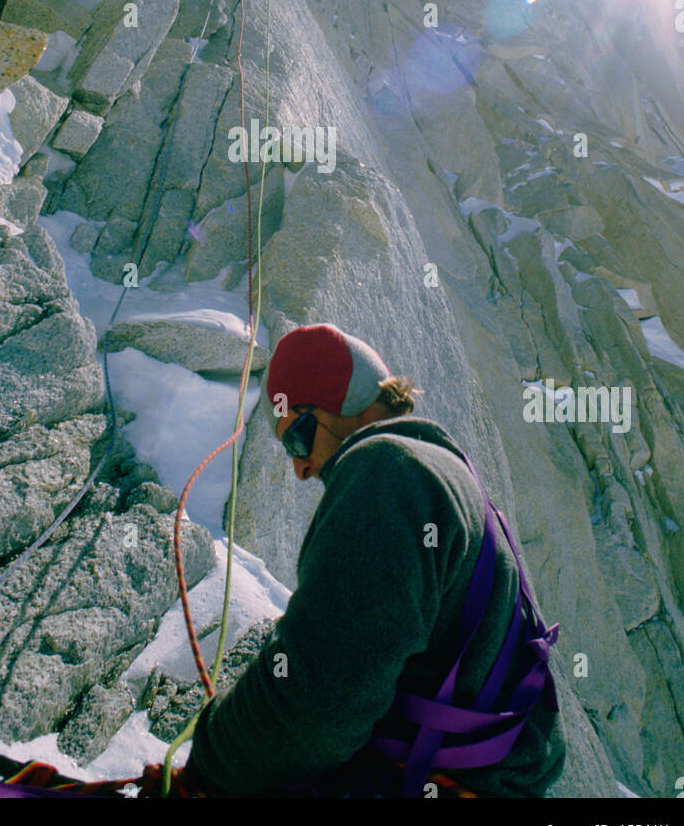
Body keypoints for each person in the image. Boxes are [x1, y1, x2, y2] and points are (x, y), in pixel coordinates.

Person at [176, 323, 567, 798]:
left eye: (297, 439)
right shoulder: (444, 474)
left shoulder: (386, 472)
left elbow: (315, 703)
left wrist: (207, 765)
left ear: (344, 405)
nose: (300, 468)